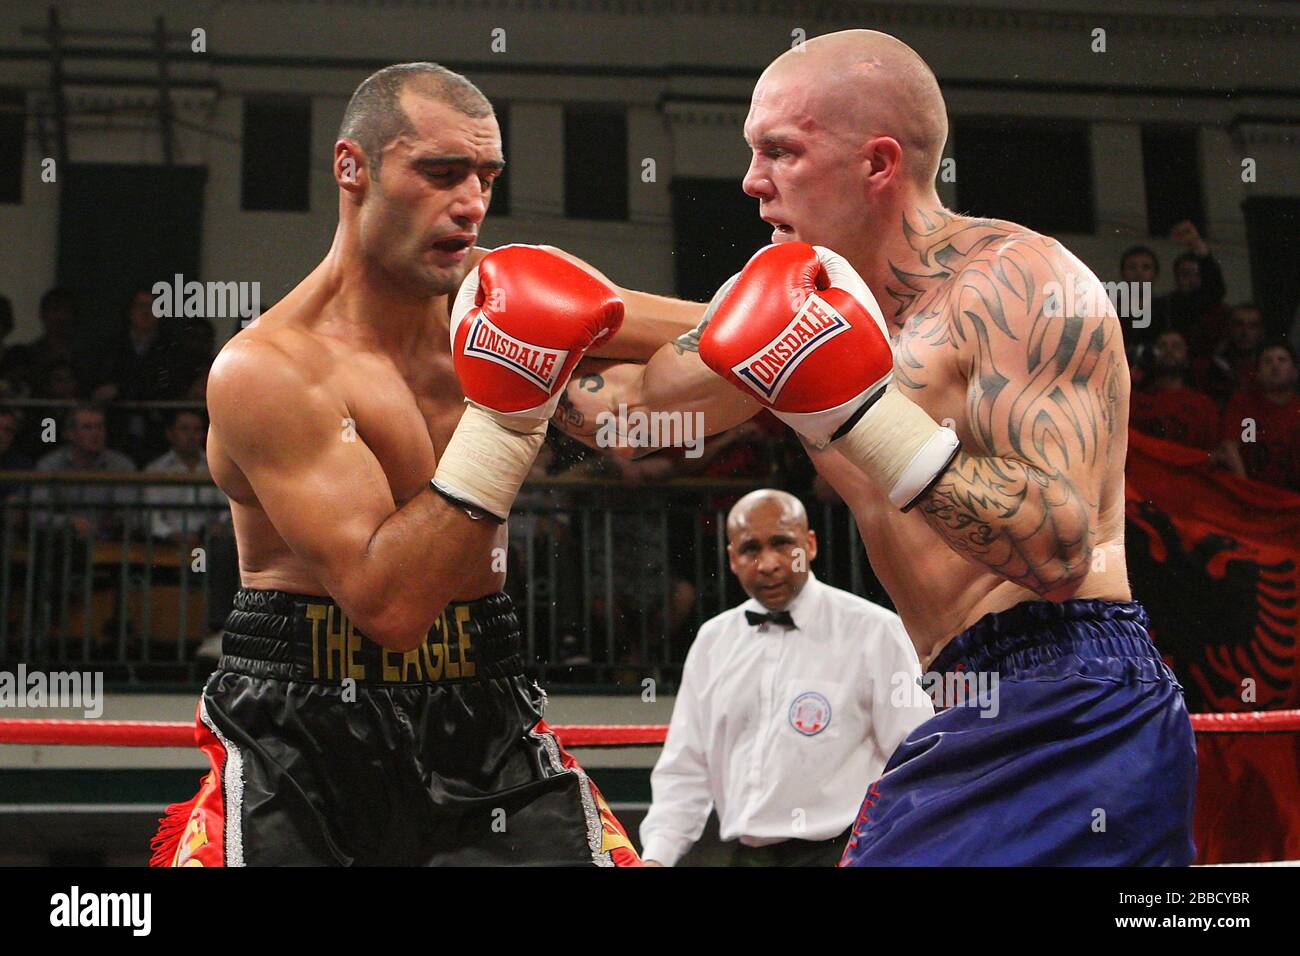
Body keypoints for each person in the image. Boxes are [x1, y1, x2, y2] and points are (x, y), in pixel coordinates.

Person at [557, 29, 1196, 865]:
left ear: (878, 163)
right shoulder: (793, 317)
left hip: (1071, 694)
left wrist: (859, 411)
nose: (751, 181)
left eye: (780, 152)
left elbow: (1056, 549)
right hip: (961, 700)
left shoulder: (1017, 283)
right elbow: (626, 413)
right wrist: (523, 359)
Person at [151, 62, 691, 867]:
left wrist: (823, 317)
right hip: (301, 731)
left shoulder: (505, 296)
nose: (471, 201)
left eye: (486, 177)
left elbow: (711, 346)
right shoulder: (269, 368)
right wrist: (510, 416)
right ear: (352, 167)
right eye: (441, 172)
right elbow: (392, 606)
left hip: (485, 707)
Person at [640, 489, 930, 867]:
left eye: (782, 544)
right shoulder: (713, 641)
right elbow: (686, 768)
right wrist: (656, 858)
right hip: (749, 857)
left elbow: (914, 756)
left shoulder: (874, 631)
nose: (768, 564)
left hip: (848, 853)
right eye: (751, 549)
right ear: (732, 558)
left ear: (810, 545)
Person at [1219, 342, 1300, 492]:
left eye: (1282, 360)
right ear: (1257, 373)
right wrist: (1245, 489)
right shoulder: (1243, 404)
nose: (1275, 366)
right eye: (1267, 361)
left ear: (1295, 372)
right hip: (1249, 492)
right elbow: (1231, 447)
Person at [1130, 330, 1221, 451]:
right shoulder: (1135, 401)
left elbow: (1212, 452)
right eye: (1162, 346)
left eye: (1176, 347)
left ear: (1187, 358)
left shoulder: (1204, 406)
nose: (1169, 351)